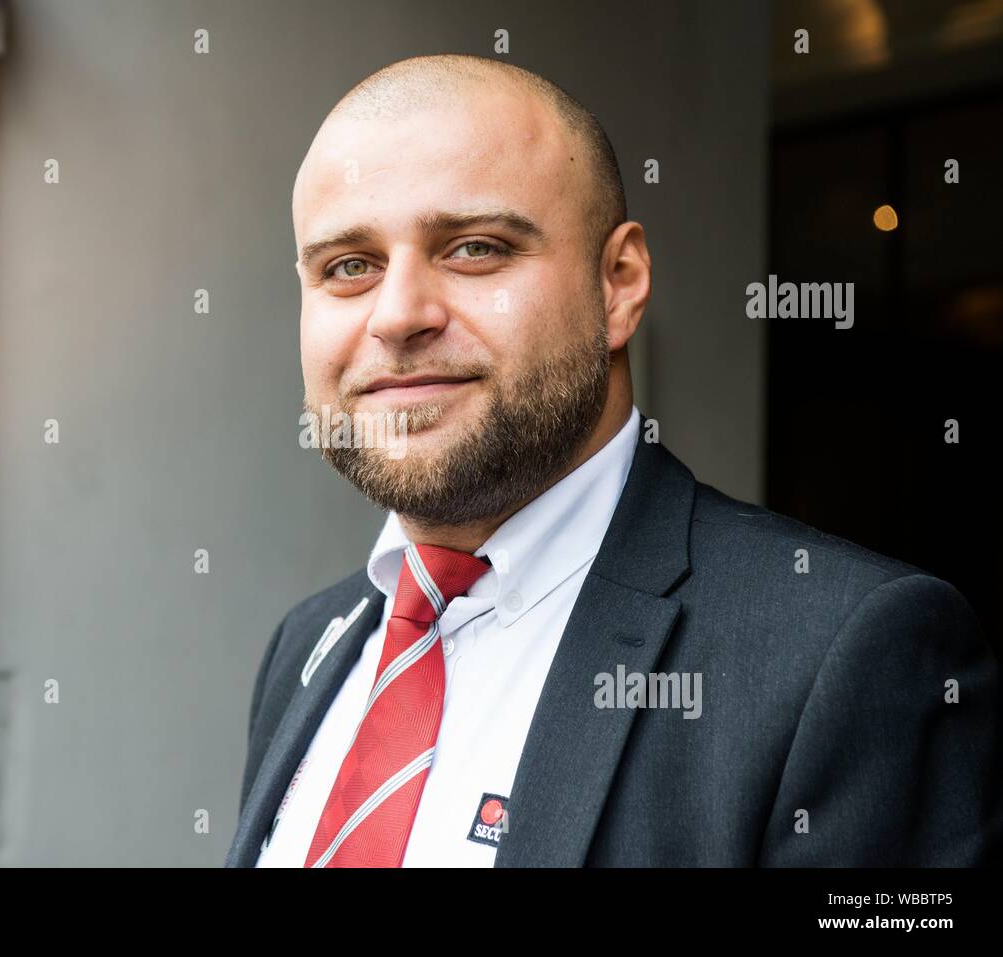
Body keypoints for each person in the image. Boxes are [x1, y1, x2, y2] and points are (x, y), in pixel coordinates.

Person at [226, 53, 1001, 867]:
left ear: (619, 283)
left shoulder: (847, 655)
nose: (398, 316)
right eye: (348, 266)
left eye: (475, 248)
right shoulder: (310, 641)